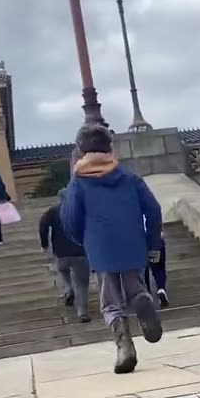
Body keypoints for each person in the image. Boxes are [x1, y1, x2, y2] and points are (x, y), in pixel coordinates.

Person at [61, 123, 163, 374]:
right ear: (110, 148)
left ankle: (124, 347)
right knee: (134, 285)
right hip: (132, 242)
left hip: (100, 245)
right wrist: (151, 244)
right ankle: (142, 300)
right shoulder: (129, 177)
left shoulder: (78, 183)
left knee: (109, 301)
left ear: (80, 150)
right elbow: (154, 210)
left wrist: (84, 240)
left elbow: (71, 219)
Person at [39, 188, 91, 323]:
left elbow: (42, 225)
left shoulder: (54, 211)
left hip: (61, 253)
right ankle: (82, 311)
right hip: (81, 252)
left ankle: (68, 289)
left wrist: (44, 244)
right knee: (82, 283)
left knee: (64, 271)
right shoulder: (82, 210)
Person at [145, 230, 169, 308]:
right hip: (154, 240)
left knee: (143, 269)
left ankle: (147, 294)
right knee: (158, 267)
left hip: (140, 241)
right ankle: (161, 289)